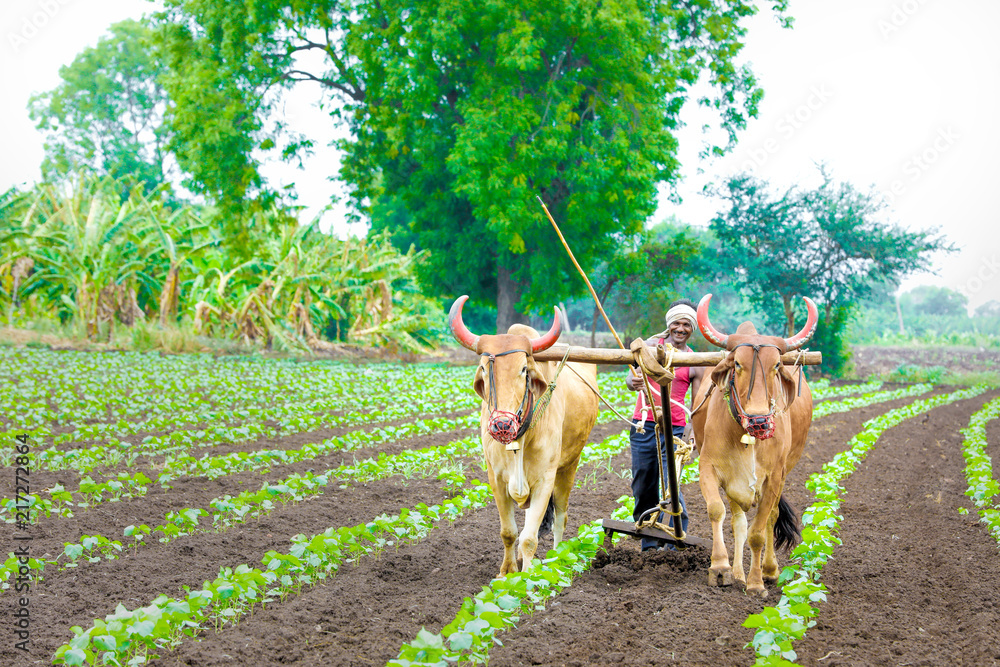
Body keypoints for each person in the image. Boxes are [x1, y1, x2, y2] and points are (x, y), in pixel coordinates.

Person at [625, 298, 705, 551]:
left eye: (686, 325)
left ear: (692, 329)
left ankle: (674, 539)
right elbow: (631, 377)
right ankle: (649, 541)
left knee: (671, 485)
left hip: (676, 429)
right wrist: (634, 382)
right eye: (677, 323)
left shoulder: (695, 360)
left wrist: (691, 437)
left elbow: (697, 404)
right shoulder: (648, 346)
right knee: (643, 481)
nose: (681, 329)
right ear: (669, 325)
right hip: (644, 423)